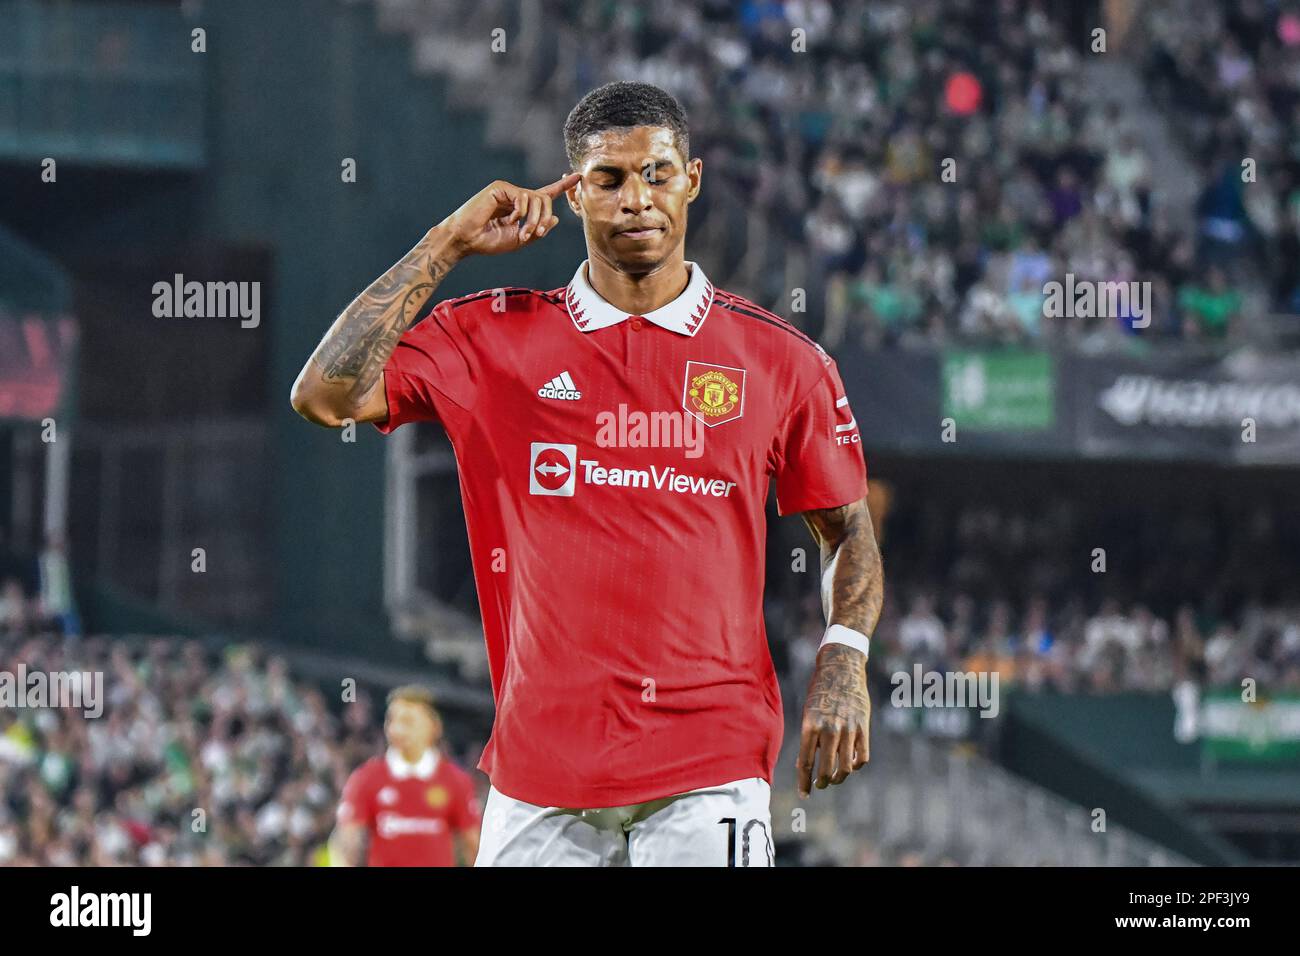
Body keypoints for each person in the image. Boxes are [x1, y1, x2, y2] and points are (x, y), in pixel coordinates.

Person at [292, 81, 884, 866]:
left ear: (692, 179)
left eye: (657, 174)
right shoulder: (490, 339)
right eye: (608, 179)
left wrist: (844, 655)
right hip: (541, 773)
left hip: (709, 764)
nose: (637, 198)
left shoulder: (783, 362)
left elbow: (847, 528)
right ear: (573, 193)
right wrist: (448, 242)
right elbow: (323, 396)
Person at [330, 686, 481, 867]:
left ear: (434, 726)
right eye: (392, 720)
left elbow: (472, 845)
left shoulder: (456, 780)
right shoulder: (366, 777)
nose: (398, 729)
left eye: (408, 721)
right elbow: (347, 841)